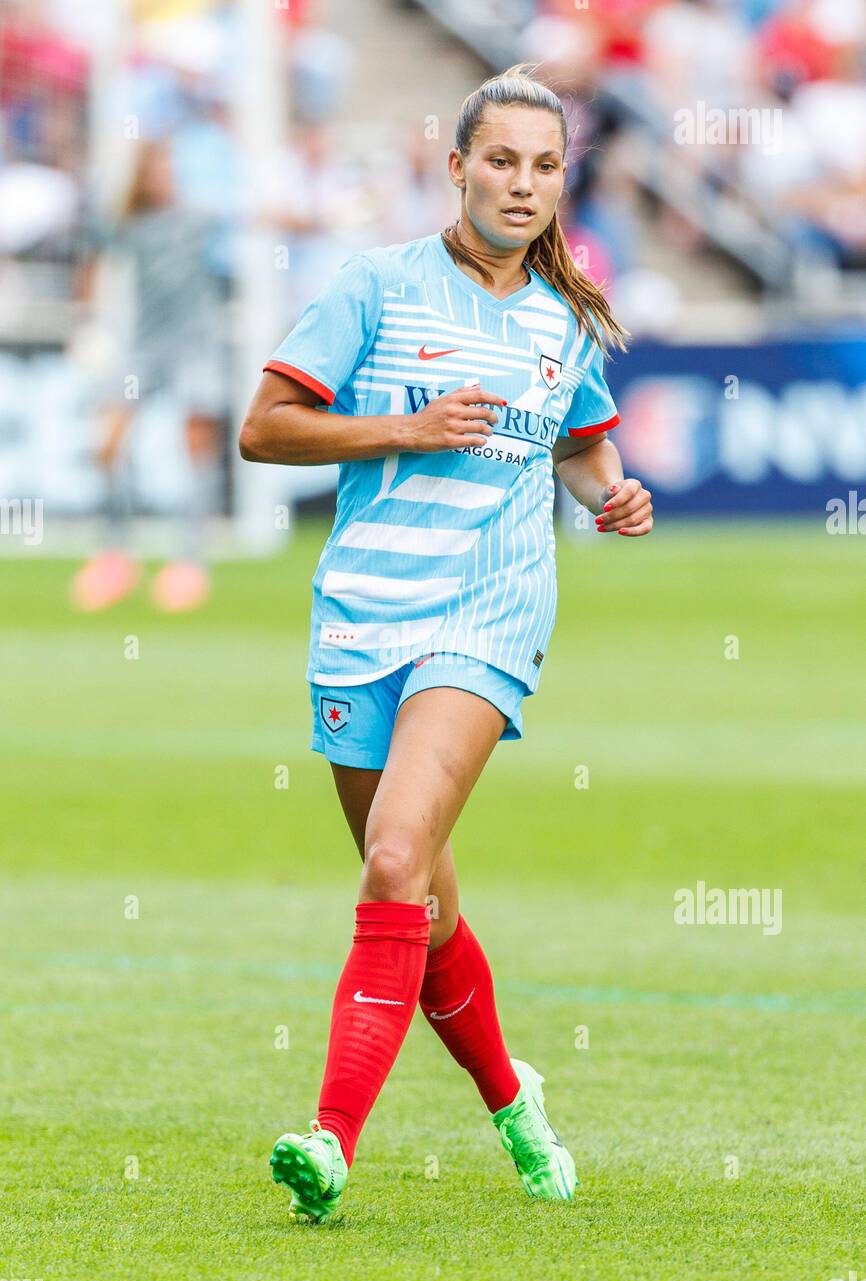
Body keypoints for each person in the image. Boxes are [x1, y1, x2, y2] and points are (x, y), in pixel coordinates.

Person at [240, 65, 653, 1222]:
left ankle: (329, 1143)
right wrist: (401, 430)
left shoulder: (565, 319)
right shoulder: (374, 286)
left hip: (488, 614)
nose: (521, 184)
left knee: (390, 856)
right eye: (501, 161)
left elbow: (580, 451)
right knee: (423, 908)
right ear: (457, 165)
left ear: (561, 179)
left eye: (542, 165)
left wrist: (612, 495)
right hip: (362, 615)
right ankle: (513, 1100)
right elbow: (262, 429)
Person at [71, 140, 225, 613]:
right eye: (157, 170)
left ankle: (188, 562)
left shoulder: (197, 220)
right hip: (142, 347)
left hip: (193, 347)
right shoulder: (125, 224)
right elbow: (90, 259)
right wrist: (88, 319)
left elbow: (261, 217)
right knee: (109, 442)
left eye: (170, 169)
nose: (166, 178)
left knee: (195, 443)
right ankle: (116, 555)